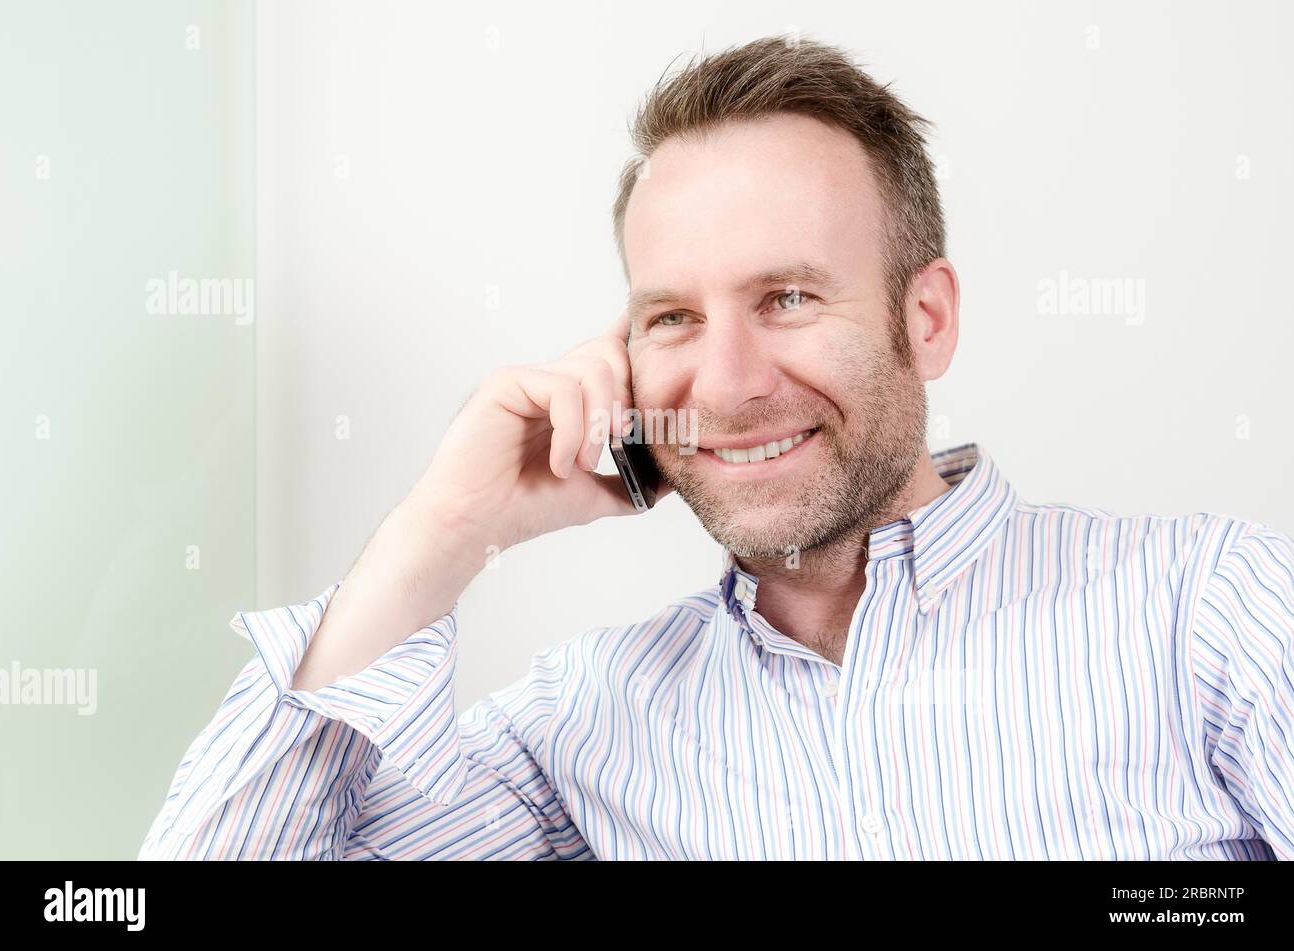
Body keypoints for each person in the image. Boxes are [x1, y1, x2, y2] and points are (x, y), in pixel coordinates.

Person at [139, 34, 1294, 860]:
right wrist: (445, 528)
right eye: (674, 319)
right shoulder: (583, 727)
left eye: (789, 297)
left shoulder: (1205, 610)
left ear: (925, 319)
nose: (730, 384)